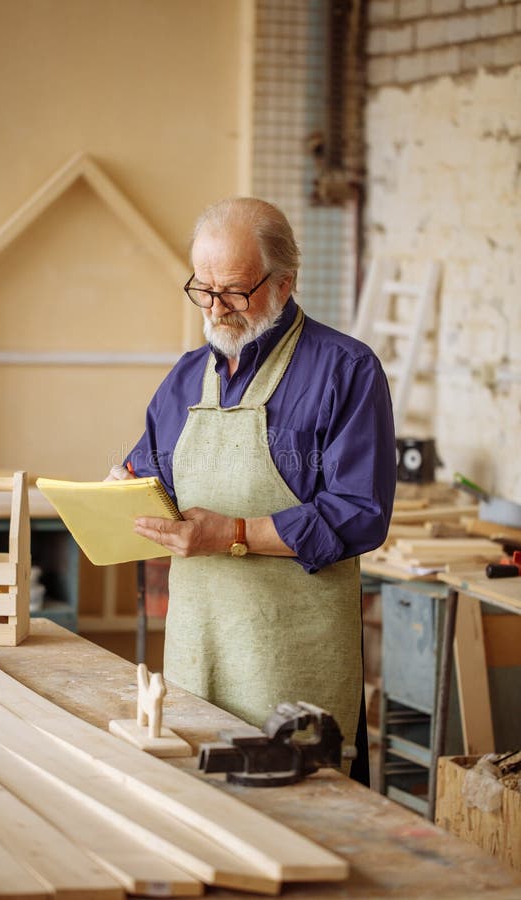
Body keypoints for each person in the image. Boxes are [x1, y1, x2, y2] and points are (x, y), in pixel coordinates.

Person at [107, 197, 396, 781]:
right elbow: (149, 473)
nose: (216, 308)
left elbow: (360, 513)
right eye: (203, 290)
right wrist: (122, 490)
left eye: (235, 290)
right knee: (197, 804)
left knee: (305, 817)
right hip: (197, 652)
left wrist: (234, 533)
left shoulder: (346, 371)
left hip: (292, 666)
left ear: (286, 281)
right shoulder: (186, 376)